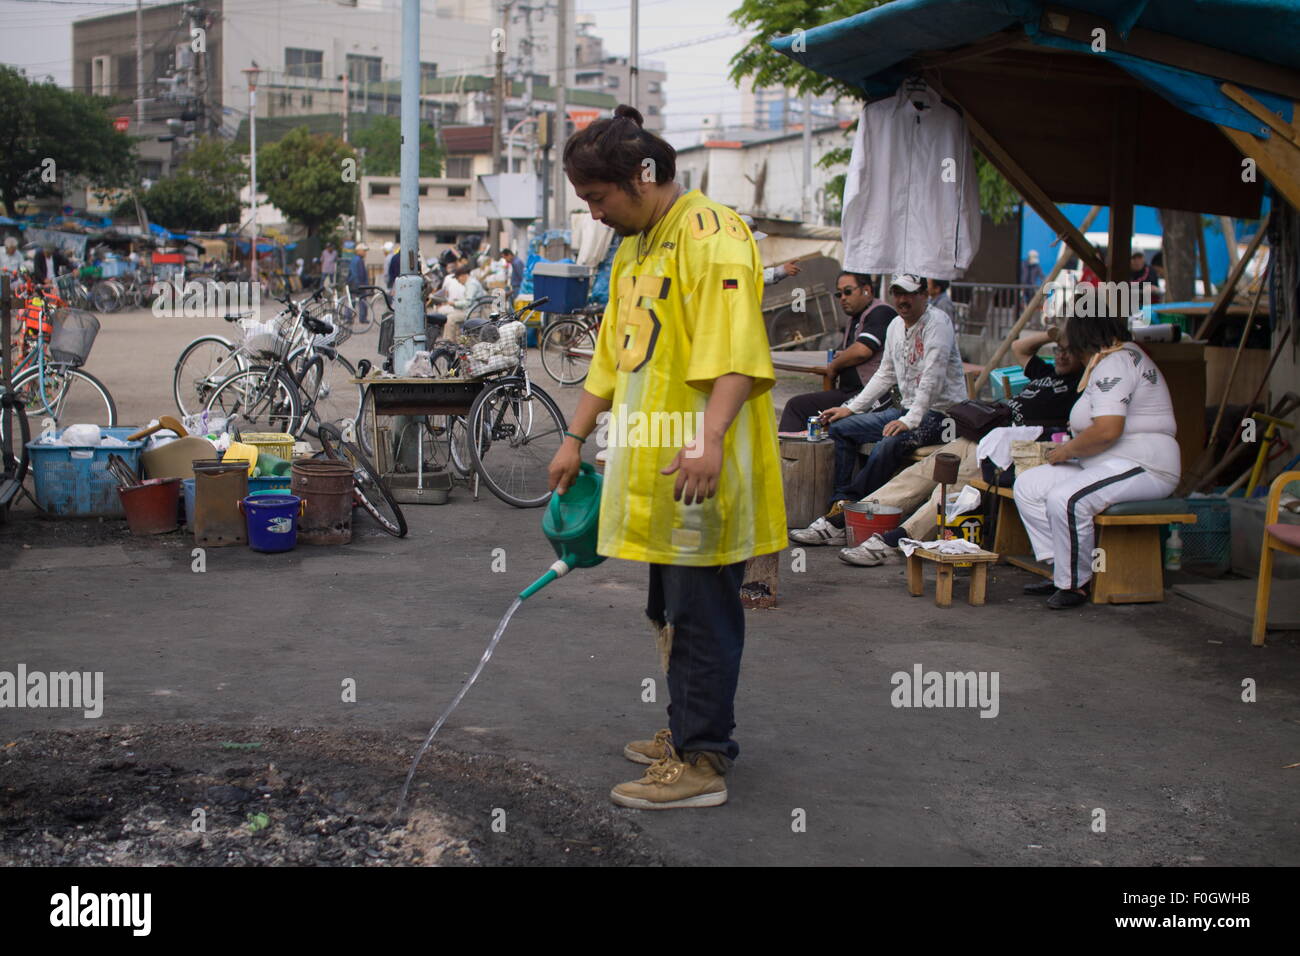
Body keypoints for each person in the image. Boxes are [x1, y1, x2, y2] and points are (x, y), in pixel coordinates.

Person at [547, 103, 785, 810]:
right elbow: (611, 356)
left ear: (640, 179)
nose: (594, 215)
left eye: (597, 198)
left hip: (703, 464)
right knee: (669, 608)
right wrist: (573, 436)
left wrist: (709, 438)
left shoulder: (714, 235)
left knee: (704, 610)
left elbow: (737, 348)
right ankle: (686, 729)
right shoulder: (638, 245)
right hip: (655, 468)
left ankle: (704, 760)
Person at [834, 326, 1086, 564]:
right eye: (1058, 350)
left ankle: (897, 541)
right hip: (984, 435)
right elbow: (1020, 347)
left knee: (950, 487)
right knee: (919, 473)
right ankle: (851, 520)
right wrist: (1054, 334)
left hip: (1013, 449)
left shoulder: (1081, 383)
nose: (1061, 355)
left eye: (1069, 351)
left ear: (1084, 354)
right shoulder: (1046, 372)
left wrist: (1076, 344)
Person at [1013, 310, 1180, 609]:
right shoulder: (1108, 359)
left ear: (1083, 336)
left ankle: (1074, 585)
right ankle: (1062, 570)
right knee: (1029, 486)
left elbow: (1107, 430)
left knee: (1067, 499)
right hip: (1108, 463)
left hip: (1144, 464)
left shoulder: (1116, 361)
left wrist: (1067, 450)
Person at [789, 274, 968, 544]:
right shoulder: (895, 325)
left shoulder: (938, 324)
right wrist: (851, 408)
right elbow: (885, 374)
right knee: (840, 428)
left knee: (890, 442)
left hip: (943, 416)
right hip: (907, 410)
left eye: (909, 294)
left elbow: (933, 377)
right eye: (898, 294)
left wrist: (911, 420)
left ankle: (850, 512)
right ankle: (841, 504)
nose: (902, 300)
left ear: (924, 295)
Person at [777, 272, 896, 432]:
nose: (843, 298)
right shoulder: (855, 318)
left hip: (871, 393)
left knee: (807, 411)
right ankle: (794, 453)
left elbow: (862, 350)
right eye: (839, 294)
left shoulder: (880, 312)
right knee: (799, 406)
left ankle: (798, 453)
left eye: (848, 291)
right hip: (848, 392)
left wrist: (834, 365)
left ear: (866, 290)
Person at [347, 243, 370, 325]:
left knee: (354, 301)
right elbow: (355, 274)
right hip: (357, 284)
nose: (365, 253)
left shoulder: (357, 259)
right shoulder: (357, 260)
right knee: (360, 301)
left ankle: (349, 318)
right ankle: (358, 318)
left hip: (356, 284)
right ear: (359, 251)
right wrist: (359, 284)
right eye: (364, 251)